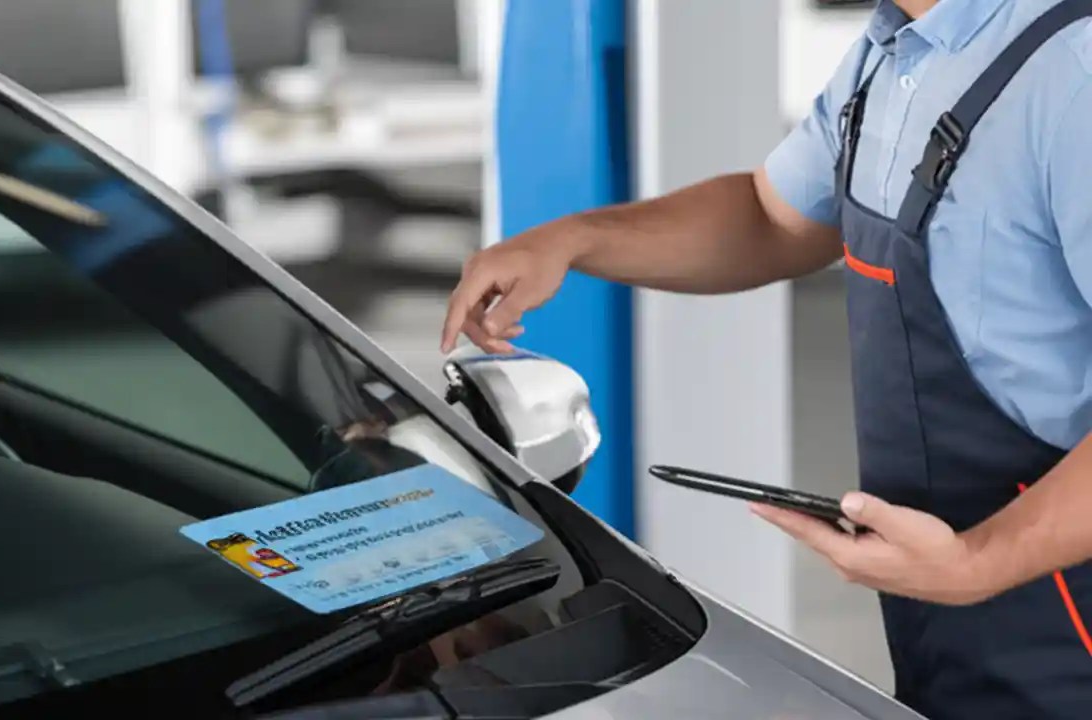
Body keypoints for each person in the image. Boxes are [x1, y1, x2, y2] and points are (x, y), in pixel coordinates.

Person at [441, 0, 1092, 717]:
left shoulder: (1073, 75)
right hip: (952, 626)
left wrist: (980, 565)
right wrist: (572, 239)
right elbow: (770, 214)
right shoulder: (897, 54)